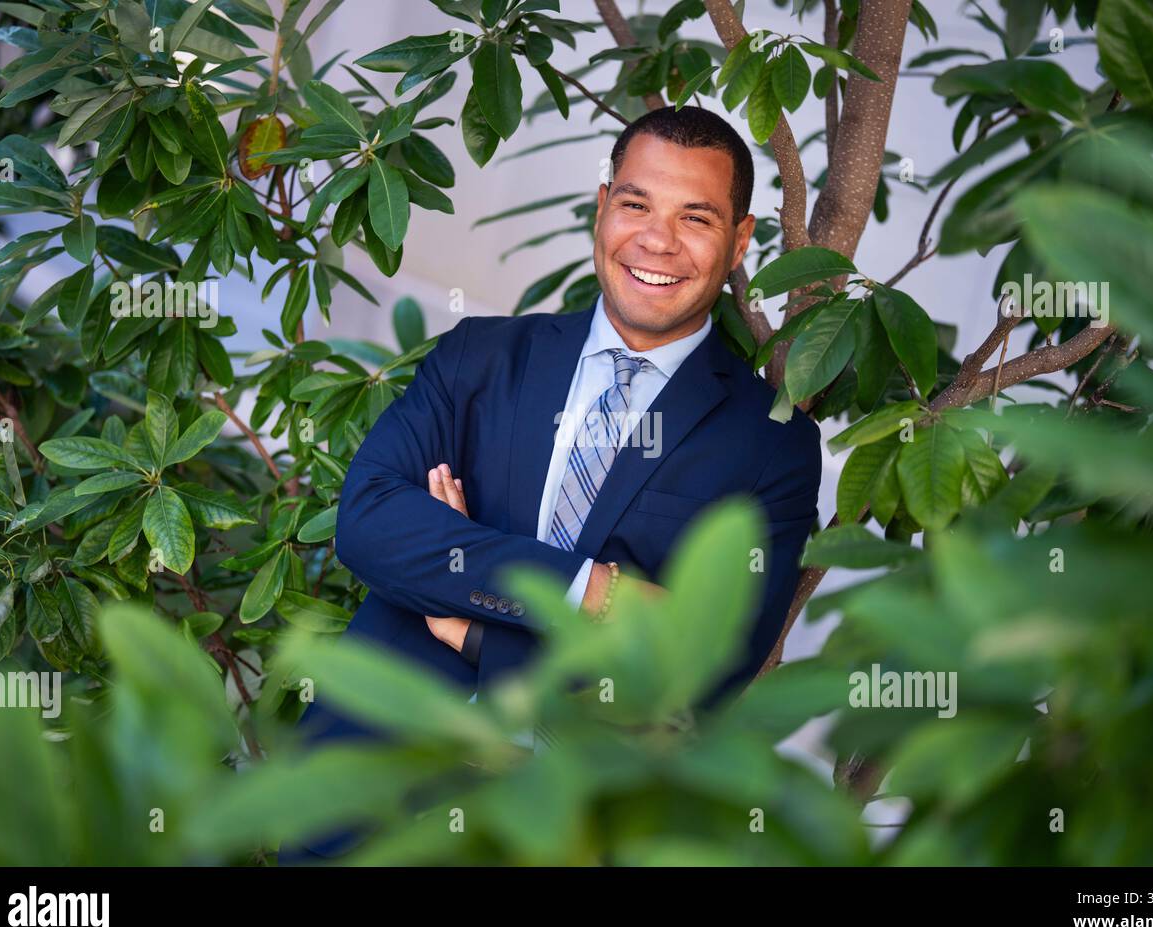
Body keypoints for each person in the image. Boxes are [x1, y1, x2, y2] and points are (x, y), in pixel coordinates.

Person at [279, 106, 822, 863]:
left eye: (694, 218)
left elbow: (698, 674)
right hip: (360, 802)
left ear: (739, 242)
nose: (657, 241)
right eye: (635, 204)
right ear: (603, 209)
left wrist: (469, 616)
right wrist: (592, 592)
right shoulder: (480, 358)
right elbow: (370, 522)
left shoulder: (771, 446)